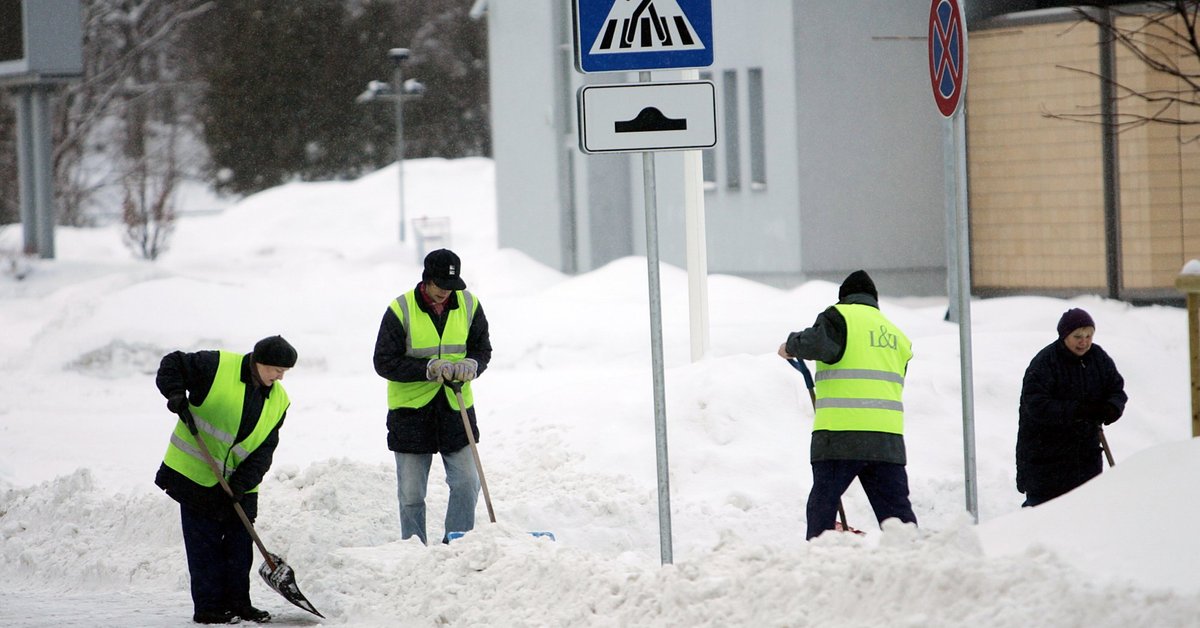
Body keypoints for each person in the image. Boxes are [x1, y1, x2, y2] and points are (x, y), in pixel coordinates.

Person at [154, 335, 298, 625]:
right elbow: (172, 364)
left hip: (240, 482)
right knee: (204, 544)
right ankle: (208, 608)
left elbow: (265, 449)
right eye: (276, 369)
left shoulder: (280, 400)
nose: (280, 377)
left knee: (239, 545)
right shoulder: (217, 366)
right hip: (196, 474)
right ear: (258, 362)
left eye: (284, 372)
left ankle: (239, 604)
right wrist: (175, 394)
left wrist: (240, 485)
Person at [778, 270, 918, 540]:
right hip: (887, 440)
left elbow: (816, 343)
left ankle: (821, 557)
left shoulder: (839, 317)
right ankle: (916, 560)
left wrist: (791, 345)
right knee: (897, 514)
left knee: (823, 502)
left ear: (844, 297)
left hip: (841, 435)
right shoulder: (896, 335)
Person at [373, 248, 493, 545]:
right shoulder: (400, 310)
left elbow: (482, 348)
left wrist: (473, 364)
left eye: (452, 287)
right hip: (411, 412)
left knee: (467, 483)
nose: (446, 294)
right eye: (441, 287)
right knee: (412, 493)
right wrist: (426, 368)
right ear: (426, 281)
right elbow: (383, 361)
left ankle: (457, 545)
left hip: (456, 407)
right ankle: (414, 551)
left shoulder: (468, 304)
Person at [1016, 308, 1127, 507]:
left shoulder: (1098, 358)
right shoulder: (1045, 363)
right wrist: (1078, 410)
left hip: (1086, 453)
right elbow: (1037, 405)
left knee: (1085, 508)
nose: (1083, 342)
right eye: (1077, 336)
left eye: (1088, 336)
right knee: (1042, 511)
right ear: (1064, 335)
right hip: (1046, 454)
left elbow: (1116, 389)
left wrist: (1111, 408)